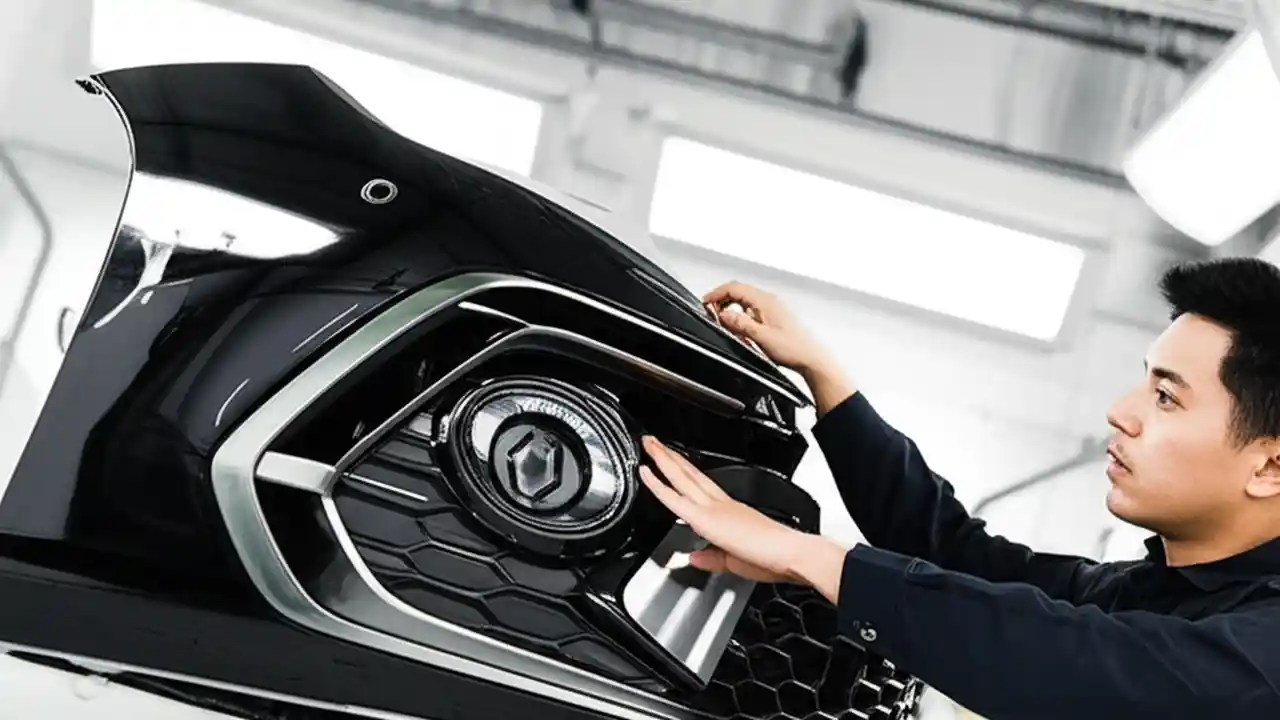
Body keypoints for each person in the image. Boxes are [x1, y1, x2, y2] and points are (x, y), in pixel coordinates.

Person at [638, 257, 1280, 718]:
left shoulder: (1263, 653)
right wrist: (825, 378)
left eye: (1166, 397)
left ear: (1269, 467)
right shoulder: (1147, 590)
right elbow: (958, 553)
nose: (1121, 412)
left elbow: (1077, 662)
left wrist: (816, 558)